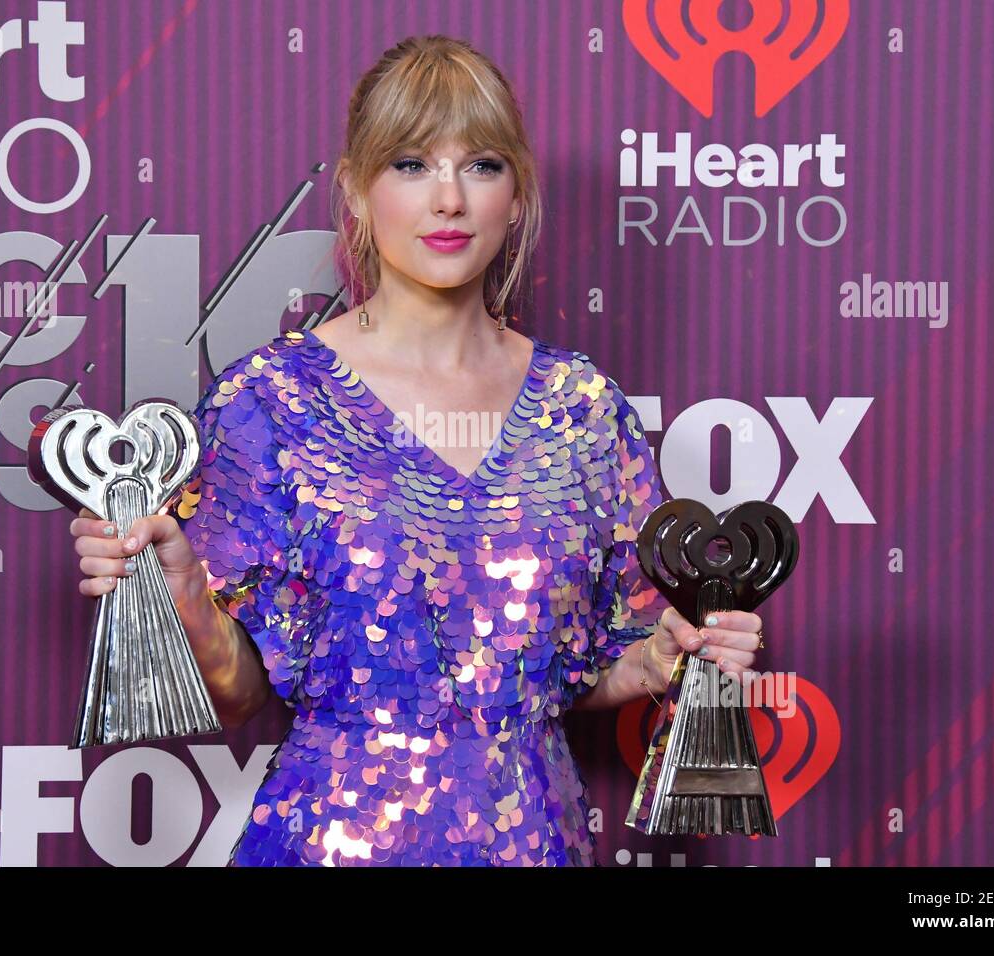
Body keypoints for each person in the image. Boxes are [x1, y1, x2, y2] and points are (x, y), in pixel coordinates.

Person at [68, 35, 764, 866]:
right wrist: (182, 590)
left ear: (516, 196)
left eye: (480, 165)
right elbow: (238, 698)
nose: (448, 200)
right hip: (326, 843)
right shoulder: (271, 403)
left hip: (533, 844)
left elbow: (584, 679)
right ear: (356, 191)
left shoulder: (583, 411)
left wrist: (663, 658)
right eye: (409, 164)